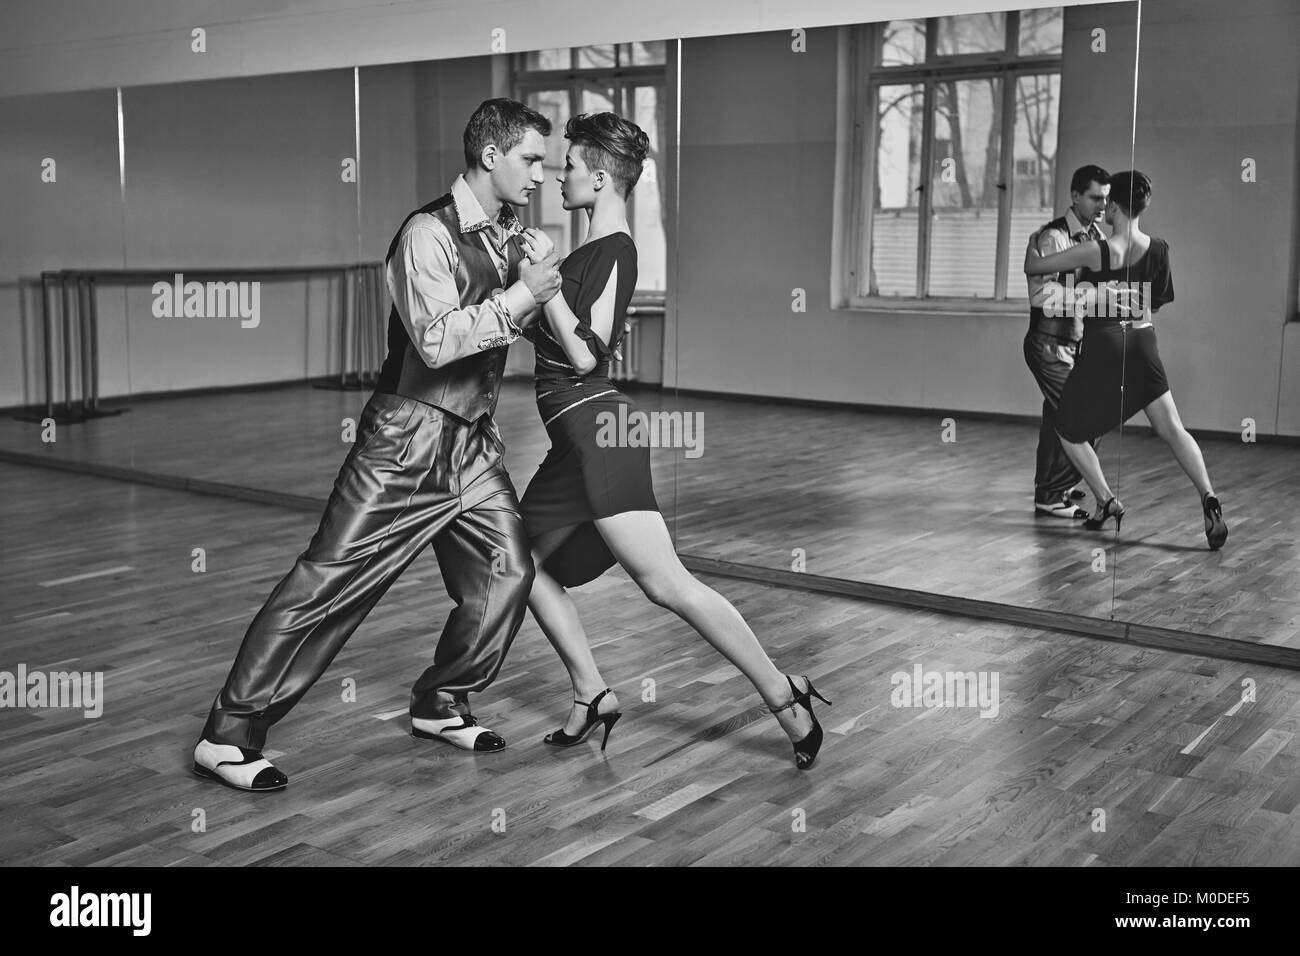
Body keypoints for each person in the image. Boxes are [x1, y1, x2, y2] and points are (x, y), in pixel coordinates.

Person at [192, 99, 563, 791]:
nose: (542, 173)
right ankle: (229, 733)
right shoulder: (428, 232)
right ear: (490, 155)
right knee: (329, 582)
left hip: (474, 443)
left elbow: (517, 325)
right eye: (531, 158)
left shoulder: (510, 236)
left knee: (507, 571)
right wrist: (521, 297)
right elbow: (437, 339)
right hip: (407, 437)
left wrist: (547, 302)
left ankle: (441, 700)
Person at [515, 112, 830, 770]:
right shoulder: (581, 256)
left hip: (599, 429)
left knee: (665, 584)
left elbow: (585, 355)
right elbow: (551, 339)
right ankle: (591, 693)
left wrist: (541, 285)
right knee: (519, 566)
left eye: (568, 166)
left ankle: (782, 692)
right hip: (575, 437)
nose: (557, 176)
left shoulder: (615, 250)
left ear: (599, 179)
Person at [1024, 170, 1228, 550]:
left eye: (1106, 202)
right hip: (1143, 343)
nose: (1102, 208)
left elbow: (1035, 270)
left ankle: (1106, 499)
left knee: (1068, 428)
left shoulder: (1098, 250)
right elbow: (1157, 301)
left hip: (1105, 346)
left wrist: (1034, 247)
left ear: (1115, 206)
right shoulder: (1160, 248)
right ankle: (1208, 496)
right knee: (1173, 429)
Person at [1022, 164, 1111, 520]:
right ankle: (1056, 489)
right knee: (1083, 416)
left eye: (1106, 198)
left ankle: (1052, 489)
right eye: (1095, 197)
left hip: (1073, 345)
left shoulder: (1096, 238)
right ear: (1075, 196)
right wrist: (1093, 298)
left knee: (1056, 418)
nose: (1102, 205)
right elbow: (1041, 295)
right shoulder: (1052, 237)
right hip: (1047, 344)